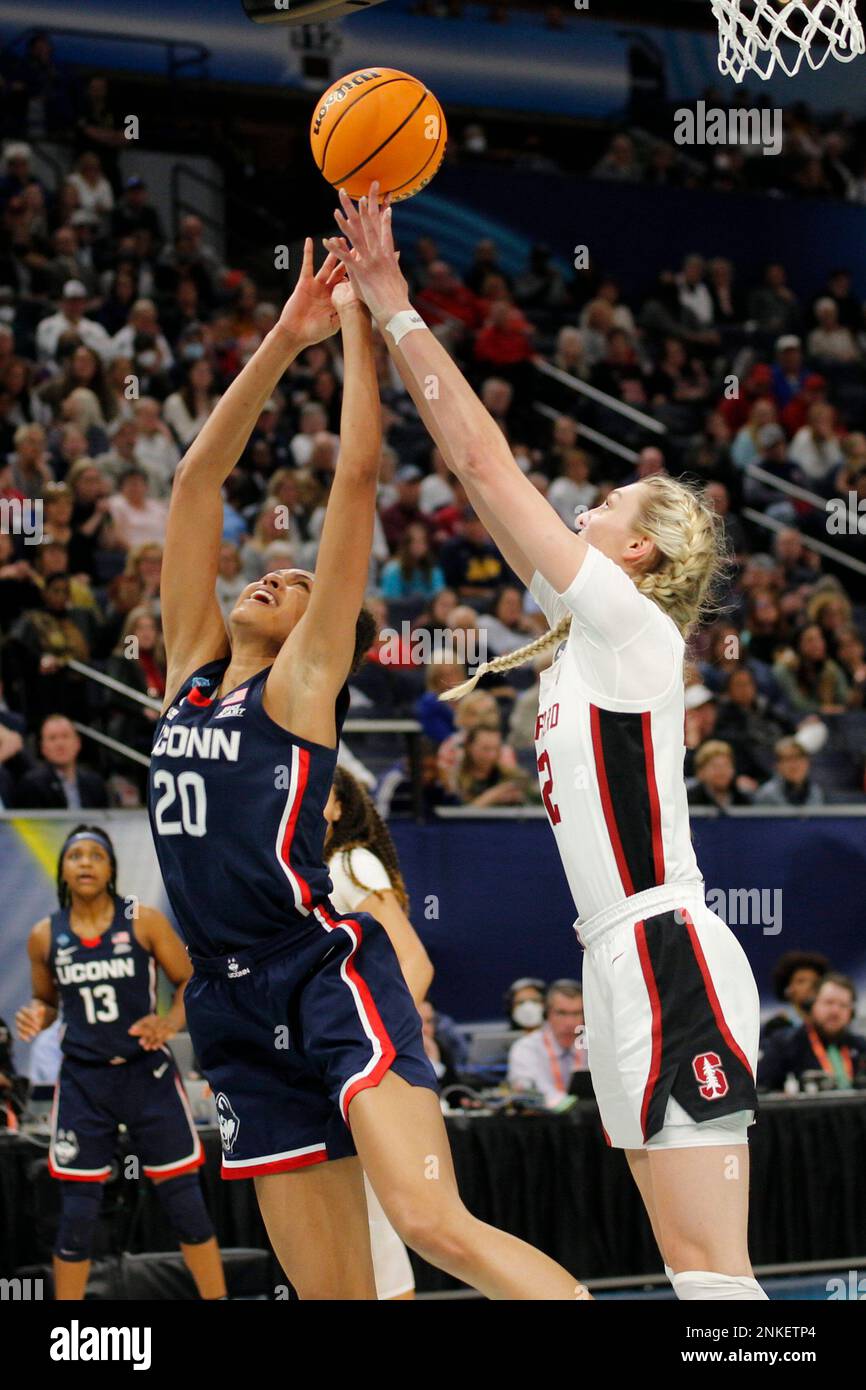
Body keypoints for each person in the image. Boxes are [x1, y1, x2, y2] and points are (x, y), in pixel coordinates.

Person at [326, 184, 765, 1300]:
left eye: (603, 506)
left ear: (641, 556)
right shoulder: (586, 638)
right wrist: (368, 331)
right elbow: (477, 477)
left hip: (666, 947)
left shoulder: (630, 629)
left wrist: (393, 302)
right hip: (615, 954)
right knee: (682, 1265)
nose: (577, 512)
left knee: (713, 1273)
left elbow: (484, 466)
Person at [146, 238, 588, 1301]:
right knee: (332, 1295)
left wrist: (354, 326)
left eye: (297, 581)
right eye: (269, 570)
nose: (274, 573)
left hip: (323, 973)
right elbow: (197, 478)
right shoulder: (188, 672)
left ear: (320, 631)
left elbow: (352, 477)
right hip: (227, 1004)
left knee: (434, 1225)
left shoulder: (298, 692)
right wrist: (282, 336)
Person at [15, 825, 226, 1300]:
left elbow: (190, 981)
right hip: (85, 1082)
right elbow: (46, 1001)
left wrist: (171, 1023)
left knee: (185, 1203)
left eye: (96, 855)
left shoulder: (143, 921)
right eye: (76, 856)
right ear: (63, 869)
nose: (86, 862)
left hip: (145, 1073)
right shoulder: (45, 934)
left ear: (111, 868)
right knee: (76, 1213)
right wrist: (37, 1015)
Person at [324, 765, 433, 1301]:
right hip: (328, 1067)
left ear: (340, 809)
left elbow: (415, 961)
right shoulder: (308, 870)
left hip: (362, 1066)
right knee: (346, 1232)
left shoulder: (347, 862)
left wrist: (373, 1049)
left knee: (378, 1229)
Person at [758, 974, 866, 1091]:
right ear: (812, 1004)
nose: (835, 1011)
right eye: (829, 1002)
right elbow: (761, 1091)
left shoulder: (861, 1047)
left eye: (843, 1005)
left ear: (852, 1013)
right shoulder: (785, 1043)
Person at [507, 980, 588, 1107]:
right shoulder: (525, 1048)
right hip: (543, 1122)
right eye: (562, 1013)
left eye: (576, 1013)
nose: (570, 1022)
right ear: (547, 1013)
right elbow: (526, 1091)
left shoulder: (595, 1044)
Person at [13, 715, 108, 809]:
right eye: (52, 738)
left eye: (65, 736)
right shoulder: (32, 784)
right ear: (43, 747)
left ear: (78, 743)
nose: (60, 744)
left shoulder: (95, 783)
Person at [762, 949, 829, 1041]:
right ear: (788, 989)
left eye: (816, 981)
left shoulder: (831, 1026)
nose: (810, 986)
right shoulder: (777, 1026)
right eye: (801, 981)